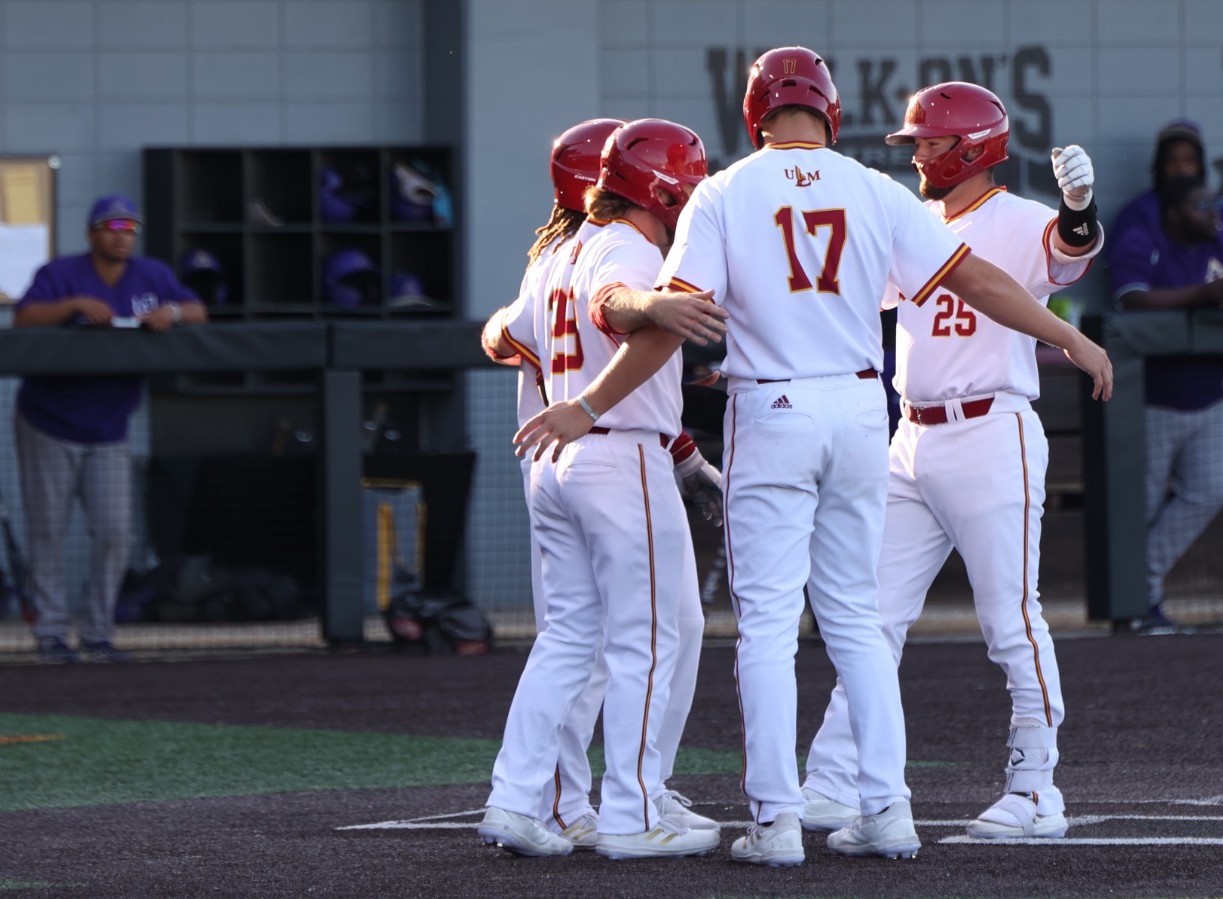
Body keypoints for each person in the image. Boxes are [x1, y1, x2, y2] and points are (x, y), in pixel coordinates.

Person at [515, 46, 1112, 866]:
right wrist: (1069, 334)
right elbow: (976, 281)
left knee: (766, 626)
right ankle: (889, 809)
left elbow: (670, 324)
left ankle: (777, 821)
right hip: (867, 413)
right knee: (862, 623)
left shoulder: (724, 189)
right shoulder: (875, 187)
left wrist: (586, 403)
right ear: (829, 111)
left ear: (754, 113)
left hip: (778, 406)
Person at [795, 81, 1096, 841]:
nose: (918, 153)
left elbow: (1067, 256)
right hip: (912, 438)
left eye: (929, 143)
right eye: (918, 143)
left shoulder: (1021, 216)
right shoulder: (914, 218)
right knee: (870, 617)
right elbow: (860, 292)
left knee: (1009, 617)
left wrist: (1082, 212)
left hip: (992, 427)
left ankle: (1035, 788)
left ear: (972, 148)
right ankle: (833, 778)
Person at [476, 118, 725, 856]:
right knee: (644, 641)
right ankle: (633, 812)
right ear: (662, 185)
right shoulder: (625, 244)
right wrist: (654, 308)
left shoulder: (562, 249)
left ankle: (513, 800)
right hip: (614, 454)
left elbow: (504, 335)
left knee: (569, 639)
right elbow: (614, 303)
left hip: (567, 460)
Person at [13, 194, 207, 664]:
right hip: (49, 420)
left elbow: (197, 310)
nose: (121, 235)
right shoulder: (60, 274)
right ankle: (52, 635)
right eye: (112, 227)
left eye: (129, 228)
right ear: (92, 232)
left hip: (109, 427)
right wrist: (73, 306)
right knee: (48, 532)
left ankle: (98, 632)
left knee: (117, 532)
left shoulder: (152, 276)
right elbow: (23, 319)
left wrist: (173, 314)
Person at [1111, 176, 1223, 629]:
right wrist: (1202, 296)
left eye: (1213, 204)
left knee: (1209, 491)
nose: (1212, 214)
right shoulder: (1147, 238)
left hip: (1210, 395)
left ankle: (1141, 589)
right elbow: (1130, 298)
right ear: (1174, 213)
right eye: (1200, 206)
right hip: (1151, 399)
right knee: (1138, 506)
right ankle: (1129, 605)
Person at [1106, 120, 1223, 476]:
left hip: (1220, 362)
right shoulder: (1140, 217)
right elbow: (1130, 298)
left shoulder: (1220, 218)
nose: (1180, 168)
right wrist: (1207, 293)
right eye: (1172, 160)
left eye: (1188, 159)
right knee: (1144, 501)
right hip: (1155, 378)